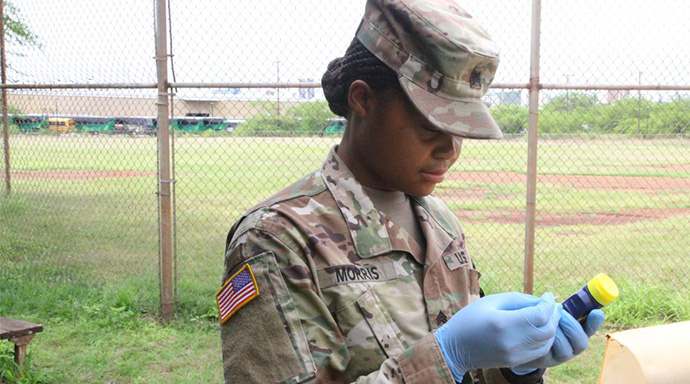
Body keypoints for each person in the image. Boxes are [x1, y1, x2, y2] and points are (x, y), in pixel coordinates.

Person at [219, 0, 604, 383]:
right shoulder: (276, 239)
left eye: (461, 130)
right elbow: (449, 357)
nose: (451, 150)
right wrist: (445, 357)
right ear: (363, 99)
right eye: (430, 127)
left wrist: (514, 366)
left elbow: (472, 370)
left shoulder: (438, 221)